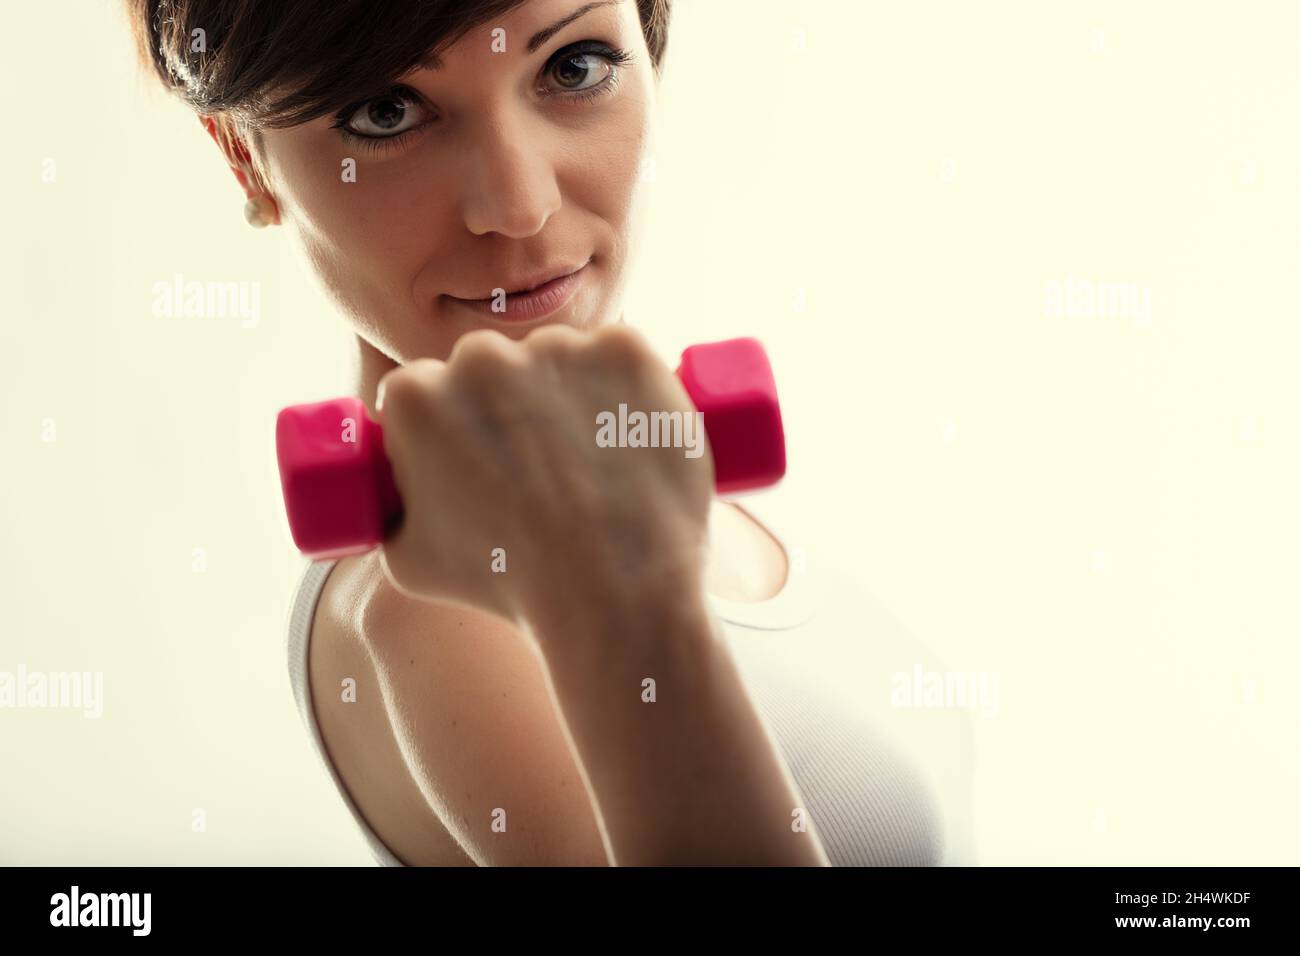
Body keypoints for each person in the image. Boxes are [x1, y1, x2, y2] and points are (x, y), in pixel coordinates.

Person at [124, 0, 977, 865]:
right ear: (243, 157)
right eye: (385, 111)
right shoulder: (445, 614)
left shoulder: (618, 476)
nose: (520, 204)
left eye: (573, 67)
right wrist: (624, 603)